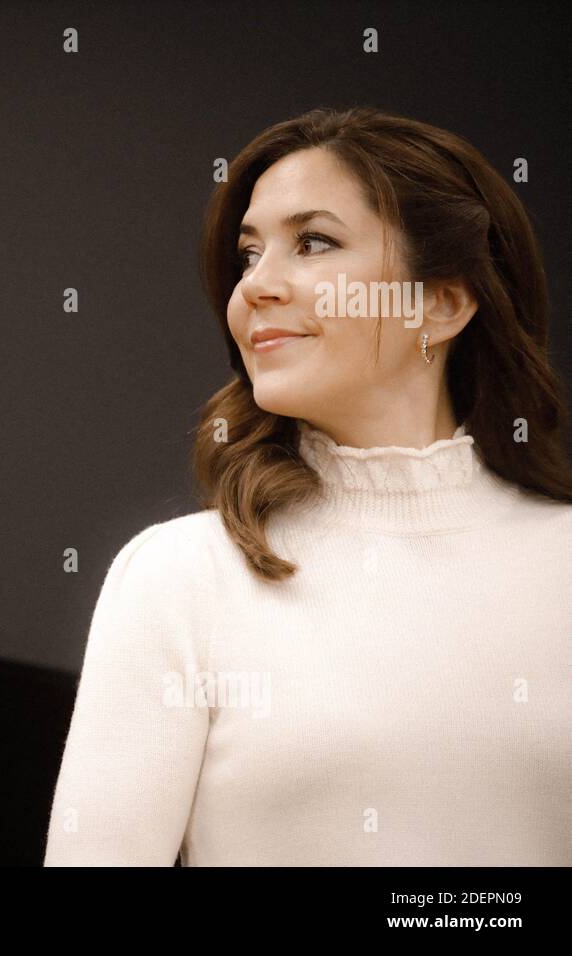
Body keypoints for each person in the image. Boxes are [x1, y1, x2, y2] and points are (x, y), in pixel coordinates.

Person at [44, 106, 572, 866]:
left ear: (443, 303)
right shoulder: (181, 579)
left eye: (313, 242)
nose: (256, 286)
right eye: (249, 255)